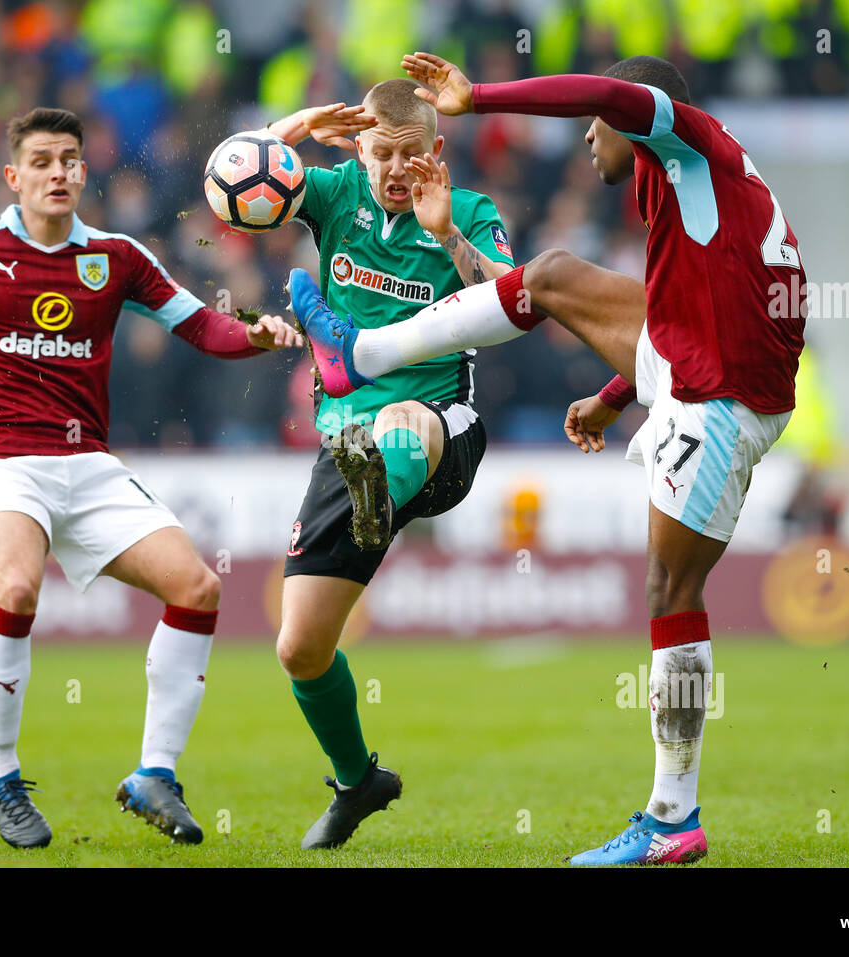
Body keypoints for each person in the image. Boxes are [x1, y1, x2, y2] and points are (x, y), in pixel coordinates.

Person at [295, 54, 808, 865]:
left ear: (630, 122)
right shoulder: (694, 181)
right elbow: (689, 308)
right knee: (558, 274)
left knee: (671, 591)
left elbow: (608, 93)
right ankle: (360, 356)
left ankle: (673, 818)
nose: (587, 141)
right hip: (705, 373)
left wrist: (480, 98)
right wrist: (615, 393)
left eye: (592, 130)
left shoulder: (684, 142)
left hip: (721, 399)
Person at [0, 107, 302, 850]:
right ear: (14, 177)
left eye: (69, 159)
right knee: (15, 588)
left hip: (89, 466)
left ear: (83, 169)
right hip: (1, 462)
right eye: (41, 161)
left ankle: (153, 774)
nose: (58, 173)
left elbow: (202, 326)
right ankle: (4, 778)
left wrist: (256, 333)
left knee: (197, 587)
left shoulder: (116, 257)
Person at [263, 80, 516, 848]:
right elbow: (236, 186)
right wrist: (291, 128)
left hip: (443, 431)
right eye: (382, 154)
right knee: (300, 646)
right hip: (347, 444)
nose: (397, 169)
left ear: (436, 153)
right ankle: (355, 780)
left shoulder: (467, 212)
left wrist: (446, 236)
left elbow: (513, 305)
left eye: (413, 154)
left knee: (400, 421)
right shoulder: (336, 192)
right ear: (356, 149)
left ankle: (355, 369)